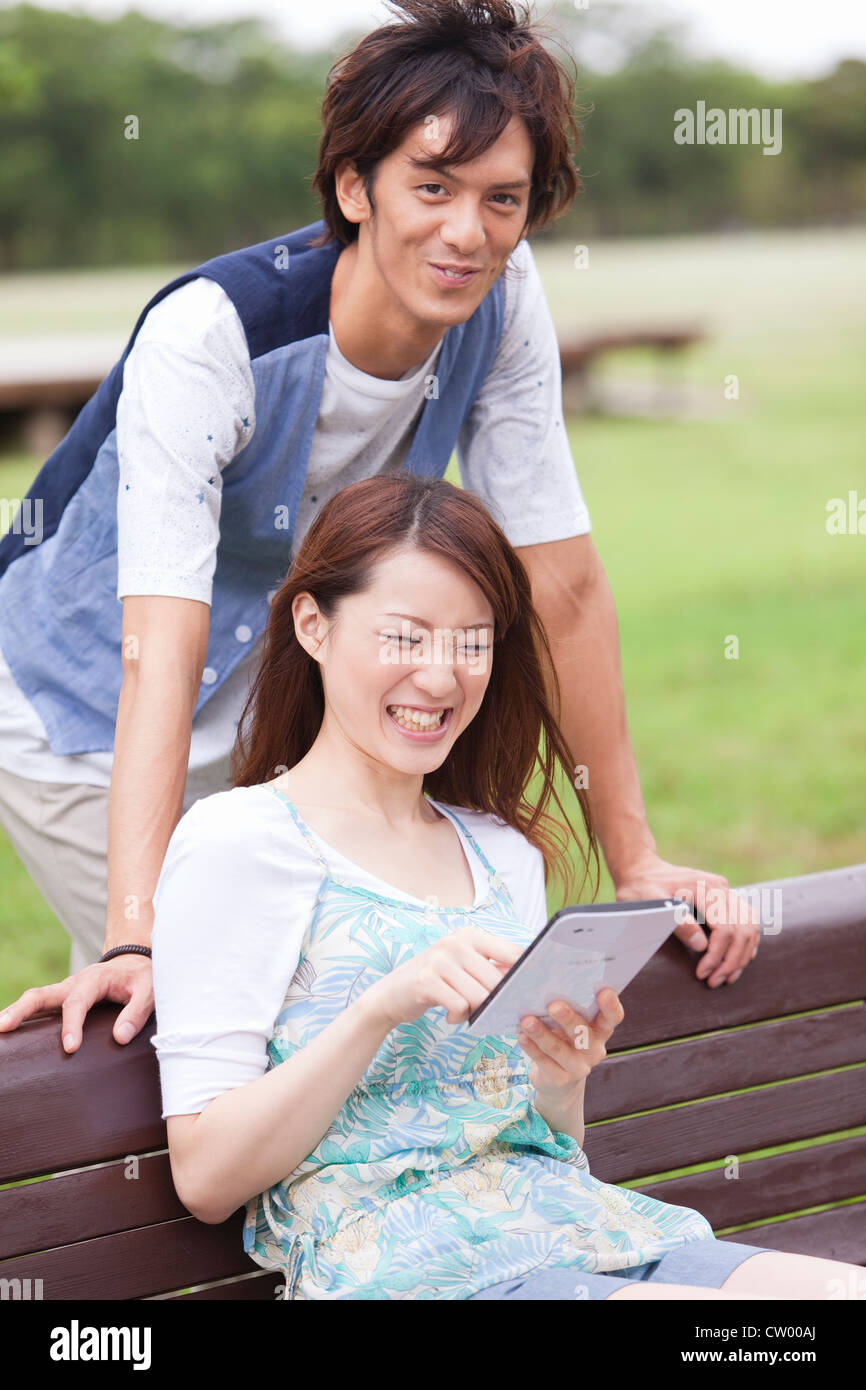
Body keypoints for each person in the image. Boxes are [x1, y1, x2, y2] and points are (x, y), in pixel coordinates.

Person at [0, 0, 757, 1054]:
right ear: (354, 187)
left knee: (264, 987)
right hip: (78, 704)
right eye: (431, 186)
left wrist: (635, 861)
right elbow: (156, 650)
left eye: (503, 200)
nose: (465, 232)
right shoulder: (208, 338)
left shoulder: (499, 301)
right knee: (209, 983)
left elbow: (563, 586)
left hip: (278, 691)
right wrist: (134, 932)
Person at [150, 472, 854, 1301]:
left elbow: (541, 1143)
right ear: (314, 626)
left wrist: (562, 1079)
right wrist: (382, 1004)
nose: (443, 678)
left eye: (472, 642)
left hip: (575, 1235)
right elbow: (206, 1174)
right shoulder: (242, 842)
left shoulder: (499, 854)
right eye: (406, 638)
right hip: (406, 1273)